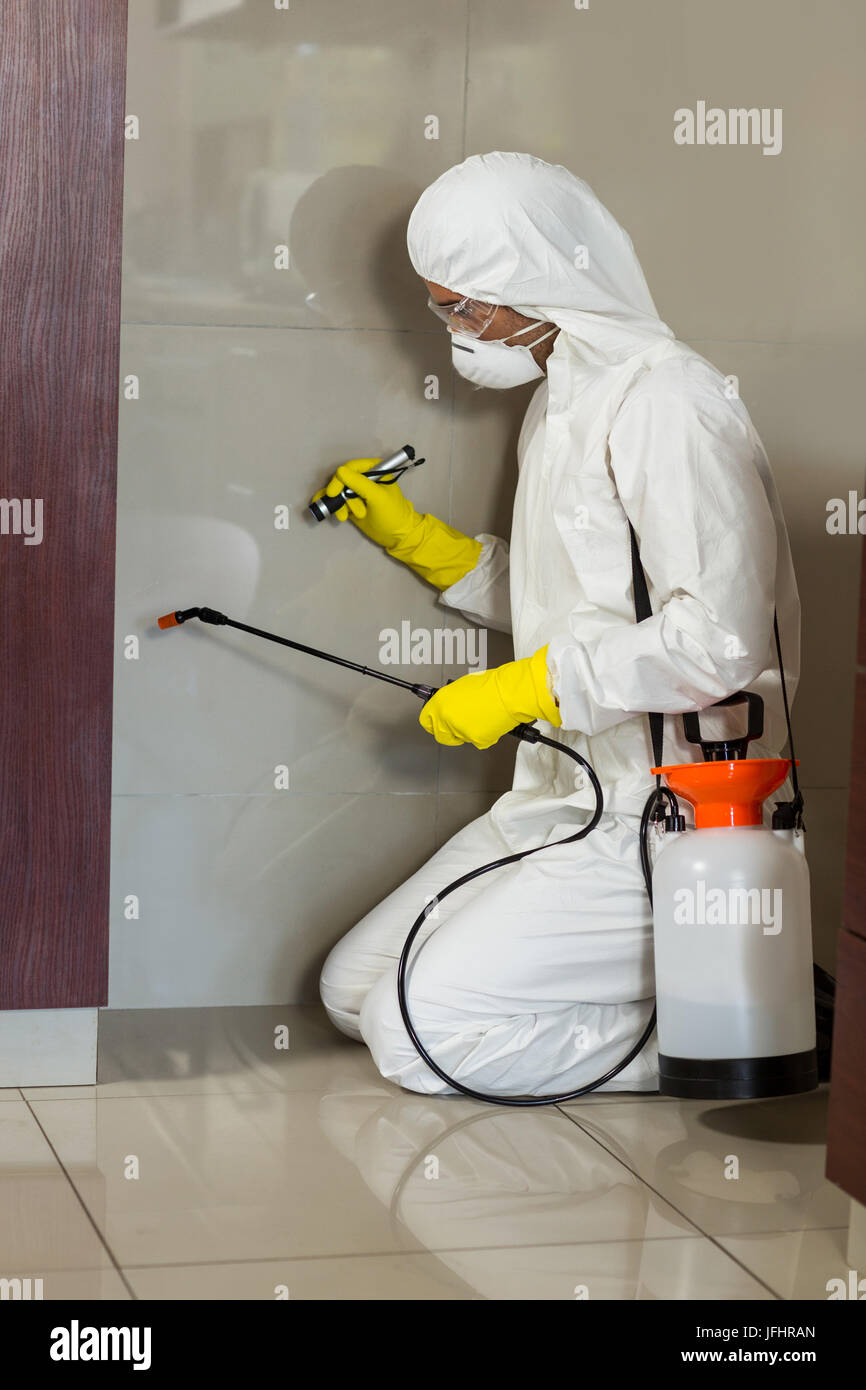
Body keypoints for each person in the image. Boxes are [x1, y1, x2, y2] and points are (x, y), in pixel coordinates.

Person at [317, 151, 800, 1097]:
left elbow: (719, 642)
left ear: (536, 284)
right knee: (352, 992)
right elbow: (575, 606)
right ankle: (678, 1007)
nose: (452, 330)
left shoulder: (670, 402)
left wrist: (528, 687)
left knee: (413, 1037)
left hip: (666, 816)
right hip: (556, 794)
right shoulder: (561, 395)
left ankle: (723, 1039)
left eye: (463, 307)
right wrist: (429, 549)